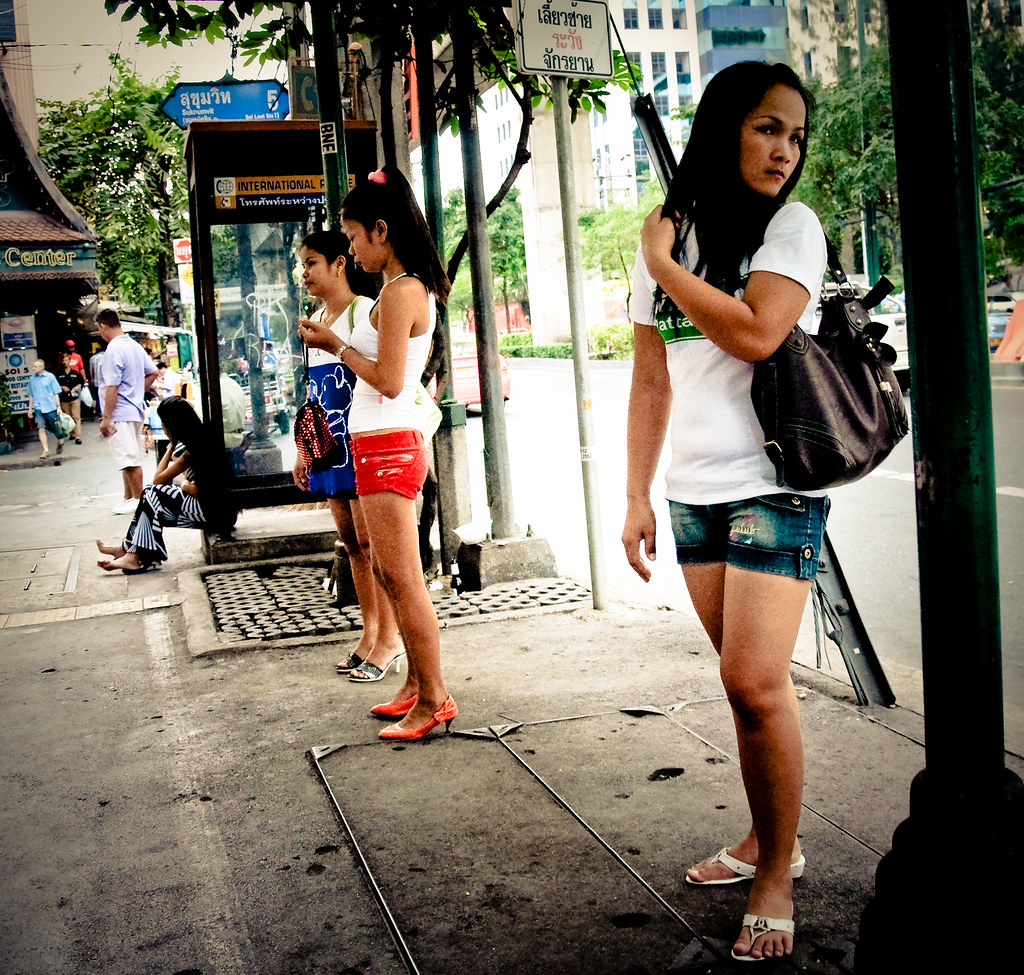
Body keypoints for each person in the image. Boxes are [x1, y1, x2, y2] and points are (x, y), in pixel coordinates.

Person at [621, 62, 826, 963]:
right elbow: (651, 373)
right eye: (766, 127)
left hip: (773, 481)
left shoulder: (793, 227)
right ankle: (760, 837)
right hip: (693, 490)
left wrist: (665, 265)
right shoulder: (672, 229)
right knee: (742, 691)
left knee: (754, 681)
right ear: (722, 128)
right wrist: (636, 493)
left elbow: (755, 331)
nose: (784, 148)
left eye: (793, 133)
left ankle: (777, 869)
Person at [298, 165, 455, 741]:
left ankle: (433, 696)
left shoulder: (400, 291)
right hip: (379, 443)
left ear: (381, 231)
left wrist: (338, 345)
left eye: (355, 236)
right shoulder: (398, 290)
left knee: (401, 576)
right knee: (390, 573)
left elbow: (388, 380)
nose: (352, 247)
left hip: (389, 442)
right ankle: (416, 683)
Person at [294, 229, 407, 683]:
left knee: (371, 541)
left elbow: (383, 372)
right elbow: (311, 393)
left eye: (312, 263)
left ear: (339, 264)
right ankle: (371, 631)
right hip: (327, 444)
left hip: (361, 437)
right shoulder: (315, 319)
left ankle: (391, 639)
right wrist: (303, 449)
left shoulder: (364, 312)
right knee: (351, 542)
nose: (305, 273)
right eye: (302, 265)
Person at [96, 396, 235, 573]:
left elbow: (158, 480)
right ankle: (129, 550)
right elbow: (169, 479)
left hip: (214, 514)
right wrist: (185, 483)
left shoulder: (192, 450)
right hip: (219, 513)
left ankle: (133, 554)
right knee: (151, 496)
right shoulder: (200, 440)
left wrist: (171, 445)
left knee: (151, 493)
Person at [96, 308, 158, 514]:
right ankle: (129, 497)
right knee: (127, 456)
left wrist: (106, 417)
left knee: (129, 458)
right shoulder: (134, 346)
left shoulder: (113, 350)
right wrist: (137, 390)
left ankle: (140, 501)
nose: (100, 333)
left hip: (120, 412)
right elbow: (153, 372)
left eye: (99, 329)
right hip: (133, 409)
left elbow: (111, 386)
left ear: (104, 326)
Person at [26, 359, 64, 463]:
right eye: (33, 366)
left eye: (35, 366)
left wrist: (58, 406)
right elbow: (30, 395)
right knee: (41, 428)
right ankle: (46, 450)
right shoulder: (31, 379)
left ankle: (60, 440)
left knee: (54, 428)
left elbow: (56, 392)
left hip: (50, 406)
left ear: (41, 367)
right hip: (38, 408)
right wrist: (30, 409)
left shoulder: (50, 377)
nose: (33, 368)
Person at [56, 351, 85, 444]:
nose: (65, 362)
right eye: (63, 360)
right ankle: (72, 433)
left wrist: (77, 387)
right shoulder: (58, 374)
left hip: (75, 397)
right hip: (64, 399)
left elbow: (81, 382)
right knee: (68, 417)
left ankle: (78, 436)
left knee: (77, 417)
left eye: (67, 360)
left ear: (70, 361)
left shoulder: (75, 373)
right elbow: (55, 386)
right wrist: (62, 387)